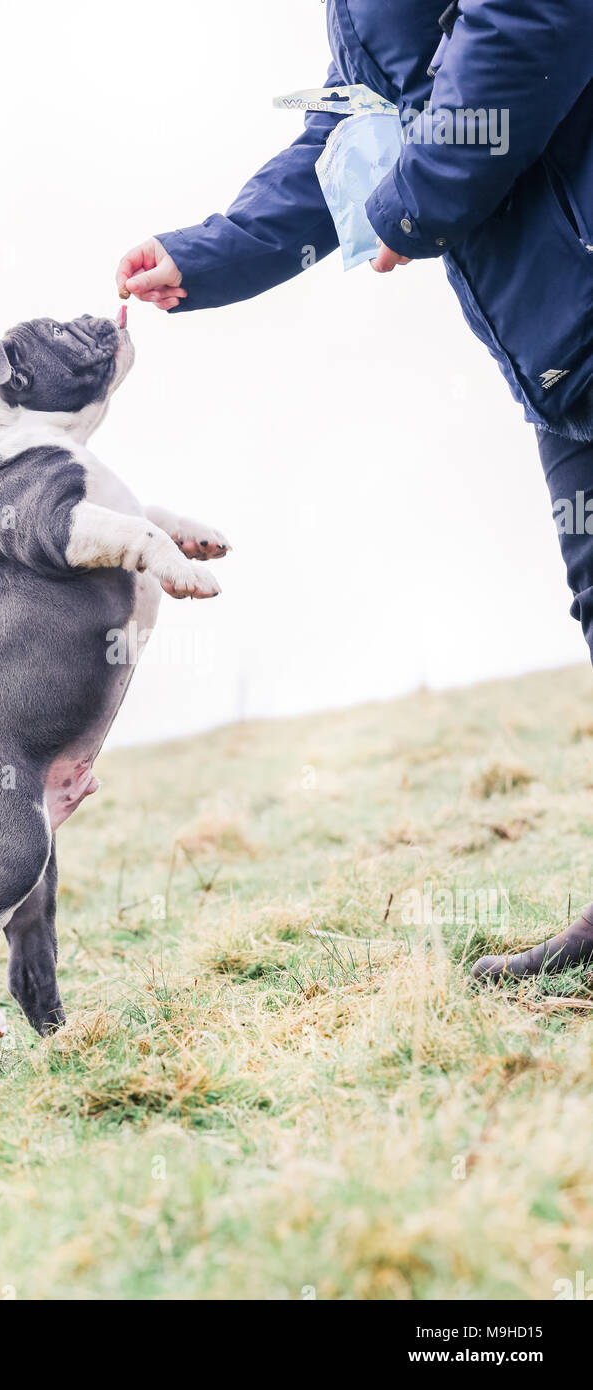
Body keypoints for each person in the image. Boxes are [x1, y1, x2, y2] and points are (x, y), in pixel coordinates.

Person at [115, 0, 593, 980]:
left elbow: (530, 27)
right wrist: (208, 254)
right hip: (558, 340)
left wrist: (407, 206)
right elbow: (359, 119)